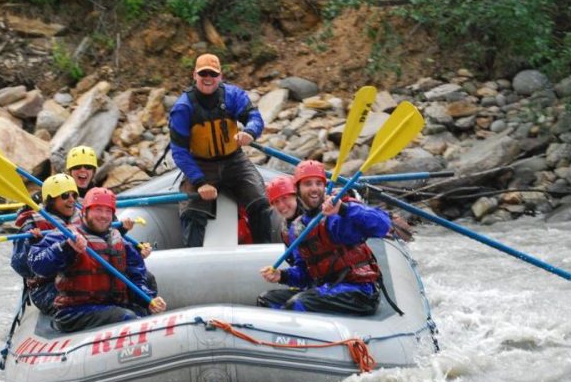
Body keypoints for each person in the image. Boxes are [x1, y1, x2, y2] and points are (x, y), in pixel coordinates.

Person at [257, 160, 391, 315]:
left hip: (359, 290)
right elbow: (305, 275)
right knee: (267, 299)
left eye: (318, 184)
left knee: (299, 303)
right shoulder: (297, 228)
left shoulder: (337, 216)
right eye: (308, 184)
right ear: (298, 189)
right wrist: (283, 276)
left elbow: (382, 225)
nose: (314, 189)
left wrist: (344, 209)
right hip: (327, 288)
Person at [169, 53, 273, 247]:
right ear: (195, 75)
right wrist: (199, 182)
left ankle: (264, 251)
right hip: (201, 164)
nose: (208, 78)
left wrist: (250, 131)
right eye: (203, 73)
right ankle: (194, 264)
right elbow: (179, 151)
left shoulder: (233, 95)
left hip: (234, 160)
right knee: (192, 213)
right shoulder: (183, 107)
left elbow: (254, 116)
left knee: (260, 201)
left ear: (220, 76)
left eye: (213, 74)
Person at [28, 187, 167, 333]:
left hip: (111, 306)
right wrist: (66, 247)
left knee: (142, 307)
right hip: (75, 312)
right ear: (84, 212)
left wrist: (149, 300)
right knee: (127, 317)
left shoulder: (120, 241)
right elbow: (36, 263)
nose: (103, 216)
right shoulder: (67, 235)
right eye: (98, 210)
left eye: (108, 211)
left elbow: (137, 278)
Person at [11, 174, 81, 315]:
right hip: (46, 287)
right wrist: (33, 245)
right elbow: (20, 267)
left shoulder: (83, 216)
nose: (71, 200)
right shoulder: (32, 225)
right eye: (65, 195)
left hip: (79, 276)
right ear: (50, 200)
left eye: (74, 195)